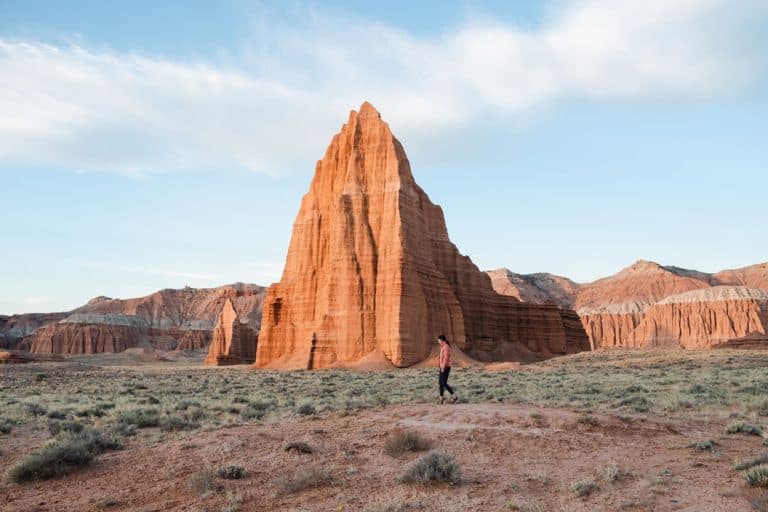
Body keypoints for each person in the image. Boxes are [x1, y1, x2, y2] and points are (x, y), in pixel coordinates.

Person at [437, 334, 458, 404]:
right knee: (440, 383)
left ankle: (454, 396)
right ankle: (441, 398)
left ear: (441, 340)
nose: (438, 342)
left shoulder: (446, 347)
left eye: (439, 340)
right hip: (442, 367)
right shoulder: (443, 347)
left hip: (446, 367)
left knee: (444, 383)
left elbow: (446, 358)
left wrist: (443, 367)